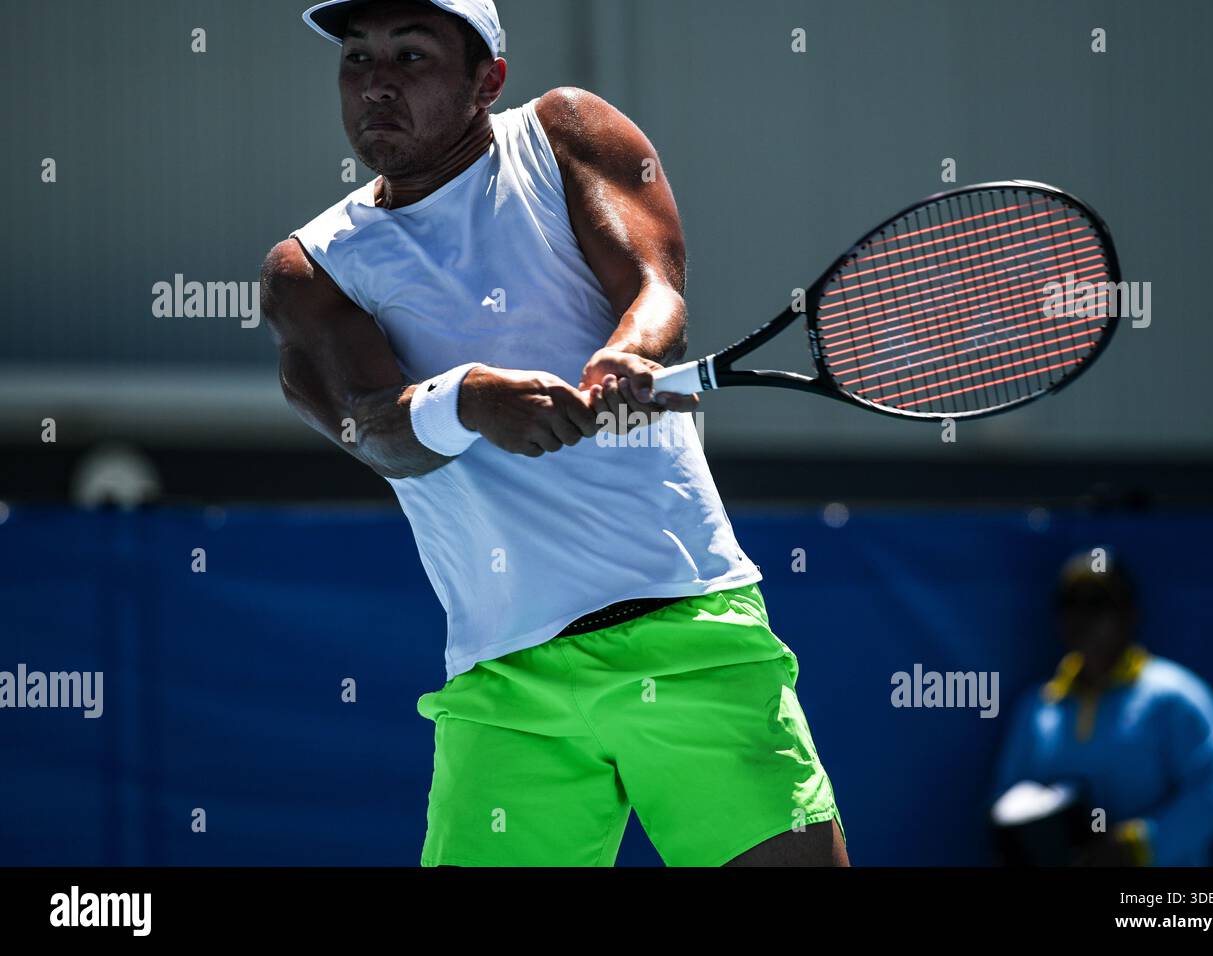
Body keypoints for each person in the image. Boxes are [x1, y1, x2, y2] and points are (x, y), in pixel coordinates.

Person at [262, 0, 847, 866]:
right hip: (505, 686)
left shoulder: (567, 132)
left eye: (412, 56)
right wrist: (469, 397)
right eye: (357, 57)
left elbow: (656, 291)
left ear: (486, 80)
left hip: (688, 625)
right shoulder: (309, 268)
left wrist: (628, 352)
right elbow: (372, 429)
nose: (375, 83)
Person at [993, 551, 1213, 865]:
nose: (1082, 618)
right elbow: (1006, 799)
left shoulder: (1176, 697)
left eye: (1097, 602)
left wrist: (1140, 844)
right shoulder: (1037, 708)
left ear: (1129, 613)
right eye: (1070, 603)